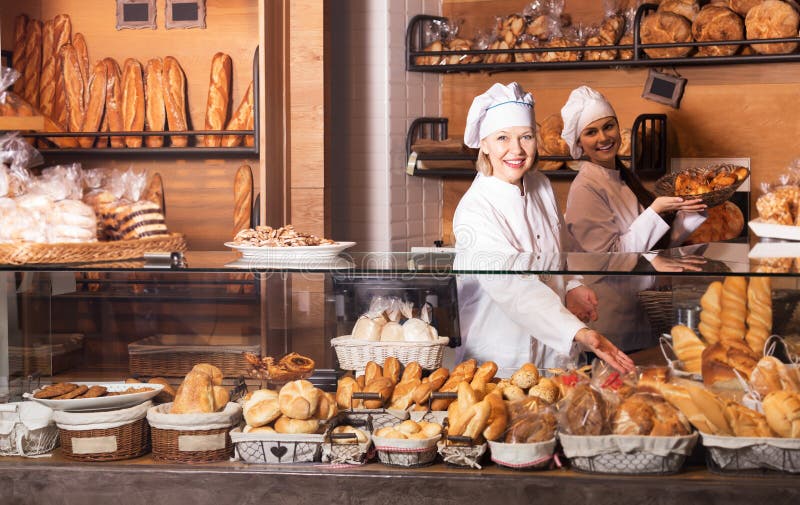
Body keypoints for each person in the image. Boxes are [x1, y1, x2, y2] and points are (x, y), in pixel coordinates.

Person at [452, 81, 635, 375]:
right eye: (502, 138)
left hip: (553, 359)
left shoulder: (540, 185)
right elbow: (514, 288)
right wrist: (579, 332)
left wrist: (573, 285)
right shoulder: (475, 210)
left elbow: (562, 247)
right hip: (499, 362)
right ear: (483, 145)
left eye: (526, 137)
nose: (517, 150)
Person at [560, 86, 707, 351]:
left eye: (608, 126)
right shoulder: (585, 187)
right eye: (591, 132)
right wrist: (656, 211)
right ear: (579, 142)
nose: (603, 137)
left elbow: (650, 241)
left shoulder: (623, 176)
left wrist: (691, 215)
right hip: (610, 324)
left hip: (639, 317)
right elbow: (607, 255)